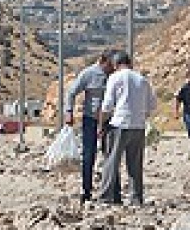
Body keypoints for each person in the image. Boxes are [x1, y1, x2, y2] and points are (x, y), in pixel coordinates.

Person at [97, 52, 157, 206]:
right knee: (135, 165)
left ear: (116, 64)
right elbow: (151, 105)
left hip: (119, 124)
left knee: (111, 162)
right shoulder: (142, 80)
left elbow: (107, 105)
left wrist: (101, 124)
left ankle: (106, 197)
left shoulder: (115, 78)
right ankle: (136, 198)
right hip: (138, 126)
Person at [64, 50, 115, 203]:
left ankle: (110, 191)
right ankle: (86, 190)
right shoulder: (89, 74)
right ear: (103, 61)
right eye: (109, 65)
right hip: (91, 119)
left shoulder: (114, 75)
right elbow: (72, 92)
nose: (112, 68)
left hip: (109, 120)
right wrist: (69, 112)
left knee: (111, 155)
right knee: (88, 155)